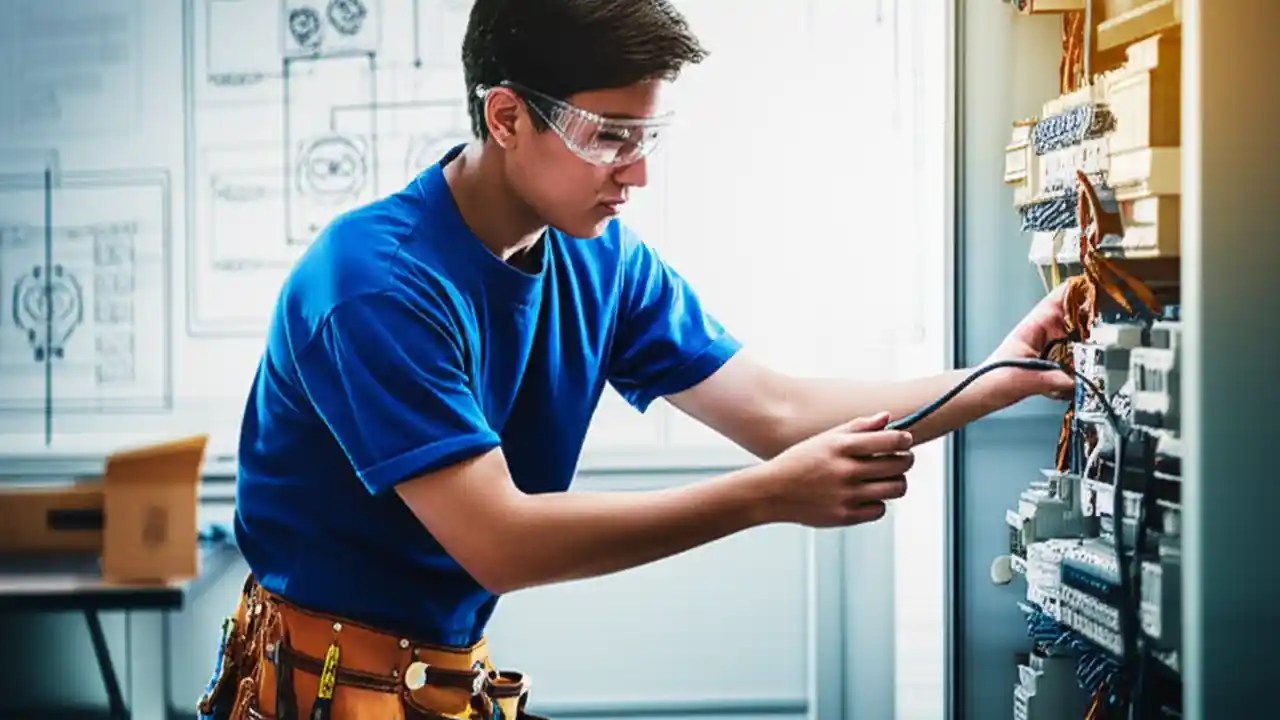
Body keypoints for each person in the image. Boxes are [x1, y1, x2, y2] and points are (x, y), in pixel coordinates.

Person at [198, 1, 1074, 718]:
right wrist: (768, 498)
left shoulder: (598, 260)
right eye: (610, 136)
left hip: (438, 684)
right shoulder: (373, 284)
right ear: (506, 116)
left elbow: (772, 411)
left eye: (647, 137)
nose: (636, 174)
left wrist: (995, 380)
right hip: (316, 695)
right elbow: (498, 542)